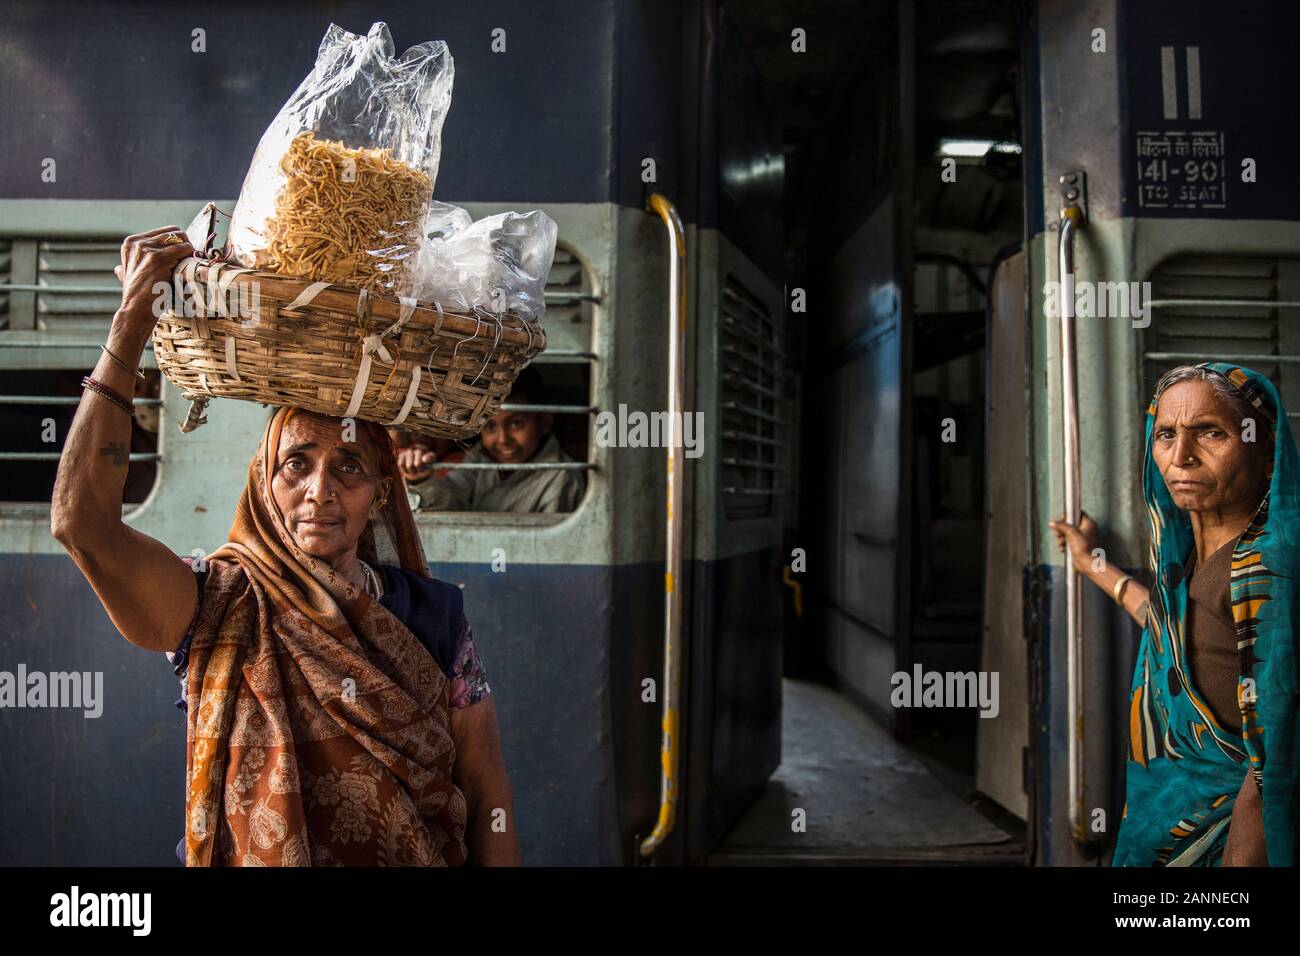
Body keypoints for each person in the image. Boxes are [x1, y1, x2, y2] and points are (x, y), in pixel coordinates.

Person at [50, 225, 519, 867]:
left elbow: (487, 790)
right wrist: (132, 322)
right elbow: (83, 526)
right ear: (264, 484)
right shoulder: (215, 603)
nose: (320, 490)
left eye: (350, 466)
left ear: (382, 495)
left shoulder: (439, 618)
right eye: (297, 463)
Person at [1051, 363, 1300, 867]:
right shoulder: (1197, 555)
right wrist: (1093, 565)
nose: (1181, 457)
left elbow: (1272, 767)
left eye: (1211, 432)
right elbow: (1172, 630)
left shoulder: (1266, 572)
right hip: (1170, 829)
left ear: (1265, 447)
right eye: (1166, 434)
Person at [400, 366, 586, 513]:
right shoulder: (481, 458)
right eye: (490, 426)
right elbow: (449, 499)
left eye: (516, 424)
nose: (503, 439)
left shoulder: (561, 477)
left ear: (545, 422)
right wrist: (421, 479)